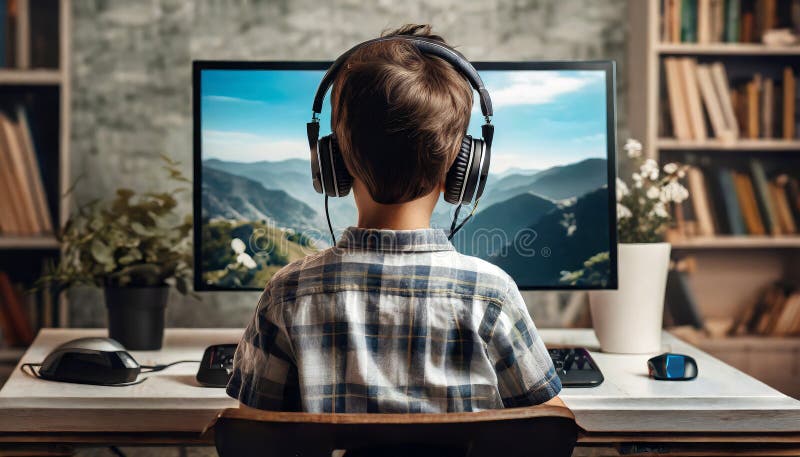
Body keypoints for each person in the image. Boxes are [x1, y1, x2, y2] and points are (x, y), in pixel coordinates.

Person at [226, 24, 562, 413]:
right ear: (462, 170)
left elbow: (254, 429)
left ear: (333, 161)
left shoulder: (287, 294)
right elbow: (548, 422)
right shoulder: (492, 295)